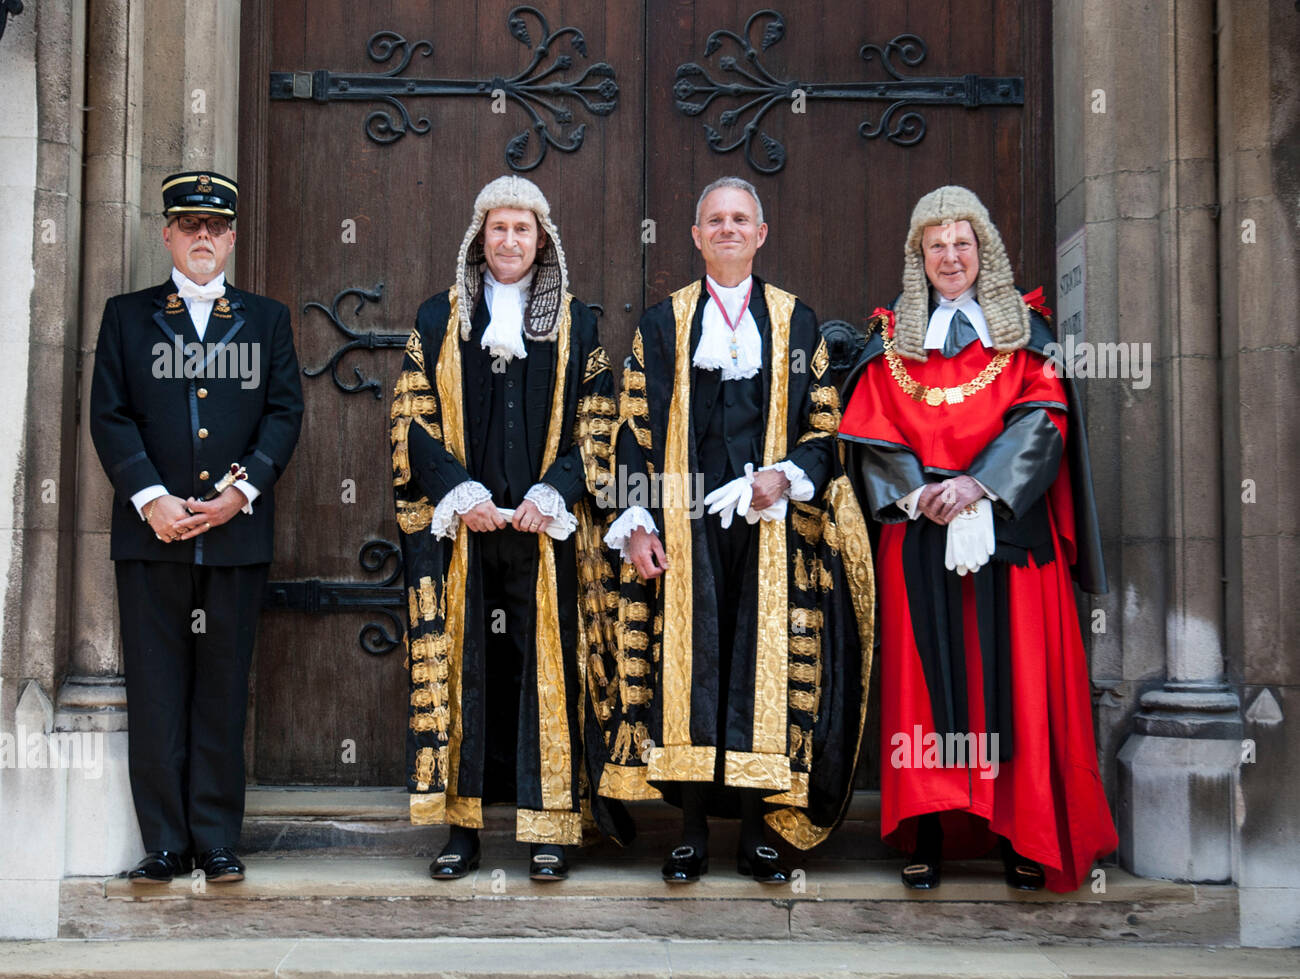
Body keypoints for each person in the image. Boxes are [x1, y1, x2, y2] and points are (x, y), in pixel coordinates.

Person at [594, 177, 874, 883]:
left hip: (770, 527)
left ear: (761, 232)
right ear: (694, 236)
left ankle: (756, 833)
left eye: (739, 219)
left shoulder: (796, 321)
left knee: (760, 672)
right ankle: (687, 832)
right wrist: (636, 523)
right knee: (688, 673)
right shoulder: (661, 324)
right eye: (714, 220)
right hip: (683, 529)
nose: (726, 229)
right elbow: (631, 431)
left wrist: (780, 478)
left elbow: (828, 429)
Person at [838, 184, 1117, 892]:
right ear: (918, 258)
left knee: (1013, 684)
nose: (951, 256)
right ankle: (927, 829)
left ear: (983, 250)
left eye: (963, 243)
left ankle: (1018, 832)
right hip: (921, 532)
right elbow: (870, 428)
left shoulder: (1026, 332)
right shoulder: (889, 338)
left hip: (1009, 536)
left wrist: (979, 487)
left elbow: (1045, 418)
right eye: (936, 245)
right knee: (924, 692)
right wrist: (923, 492)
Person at [391, 175, 624, 882]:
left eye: (523, 229)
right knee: (468, 673)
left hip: (543, 535)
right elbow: (411, 420)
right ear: (479, 236)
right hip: (465, 532)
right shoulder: (438, 321)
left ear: (542, 239)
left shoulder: (578, 325)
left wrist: (554, 491)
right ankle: (462, 831)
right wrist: (459, 493)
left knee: (542, 675)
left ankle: (550, 827)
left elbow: (601, 422)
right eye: (498, 229)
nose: (511, 241)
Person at [90, 170, 304, 884]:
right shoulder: (125, 316)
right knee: (155, 692)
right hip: (150, 537)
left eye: (215, 227)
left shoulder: (268, 320)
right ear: (168, 235)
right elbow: (110, 413)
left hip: (235, 538)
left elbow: (283, 412)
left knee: (220, 689)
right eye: (189, 225)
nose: (202, 236)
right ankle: (163, 844)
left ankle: (215, 840)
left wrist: (241, 492)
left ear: (233, 237)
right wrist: (150, 498)